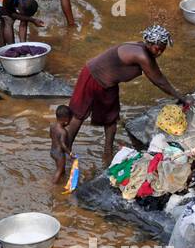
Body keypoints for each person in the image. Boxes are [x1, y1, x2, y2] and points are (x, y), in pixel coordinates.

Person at [65, 24, 188, 164]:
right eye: (157, 48)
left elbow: (158, 77)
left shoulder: (145, 52)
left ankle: (107, 154)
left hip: (109, 84)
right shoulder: (142, 55)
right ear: (149, 43)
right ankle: (64, 149)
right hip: (92, 75)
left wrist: (178, 95)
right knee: (79, 116)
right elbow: (159, 81)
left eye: (162, 49)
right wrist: (180, 97)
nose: (159, 52)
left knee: (111, 120)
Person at [49, 104, 72, 184]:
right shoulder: (63, 131)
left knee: (60, 168)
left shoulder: (52, 126)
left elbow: (51, 136)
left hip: (52, 152)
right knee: (59, 170)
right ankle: (53, 185)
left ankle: (62, 179)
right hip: (59, 154)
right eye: (70, 118)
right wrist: (70, 153)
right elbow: (62, 145)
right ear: (65, 118)